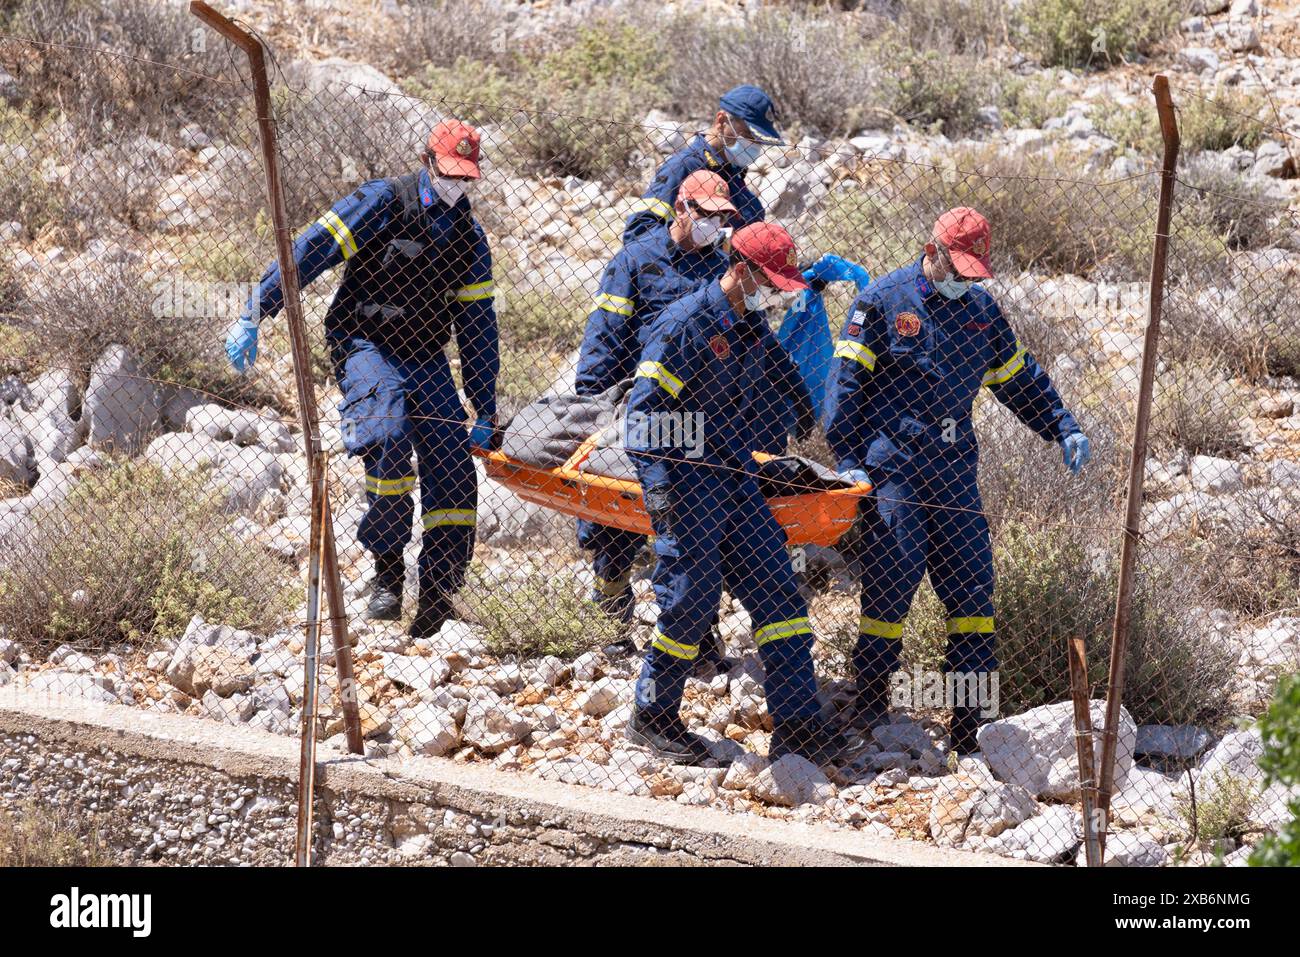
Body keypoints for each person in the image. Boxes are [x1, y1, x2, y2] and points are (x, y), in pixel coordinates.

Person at [823, 207, 1092, 753]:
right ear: (933, 252)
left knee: (973, 595)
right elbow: (844, 384)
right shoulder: (882, 301)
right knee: (891, 588)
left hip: (953, 473)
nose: (965, 282)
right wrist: (848, 456)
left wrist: (1061, 425)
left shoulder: (982, 313)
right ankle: (871, 703)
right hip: (894, 468)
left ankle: (972, 726)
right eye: (958, 269)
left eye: (974, 273)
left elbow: (1018, 379)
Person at [226, 119, 499, 639]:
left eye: (466, 177)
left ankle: (439, 594)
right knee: (387, 436)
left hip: (425, 355)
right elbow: (311, 249)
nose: (456, 185)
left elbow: (477, 325)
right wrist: (258, 308)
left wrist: (484, 406)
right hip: (365, 343)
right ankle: (388, 571)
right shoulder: (382, 201)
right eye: (449, 173)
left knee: (454, 468)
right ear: (427, 161)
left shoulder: (469, 237)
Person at [623, 222, 842, 766]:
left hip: (736, 474)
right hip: (687, 478)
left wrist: (802, 402)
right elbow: (643, 418)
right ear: (740, 270)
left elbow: (777, 364)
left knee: (780, 597)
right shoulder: (685, 326)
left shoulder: (749, 322)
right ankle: (651, 716)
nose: (775, 294)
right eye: (770, 282)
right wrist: (661, 491)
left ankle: (799, 726)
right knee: (689, 601)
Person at [575, 171, 741, 628]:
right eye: (706, 214)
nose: (713, 225)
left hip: (700, 418)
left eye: (721, 217)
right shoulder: (635, 261)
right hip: (640, 410)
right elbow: (604, 338)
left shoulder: (720, 269)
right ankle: (611, 619)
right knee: (617, 525)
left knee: (699, 529)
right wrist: (593, 408)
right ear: (681, 208)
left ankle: (697, 630)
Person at [623, 84, 780, 242]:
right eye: (748, 135)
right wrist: (702, 251)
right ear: (721, 121)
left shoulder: (734, 175)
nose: (754, 145)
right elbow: (639, 231)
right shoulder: (684, 167)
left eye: (759, 140)